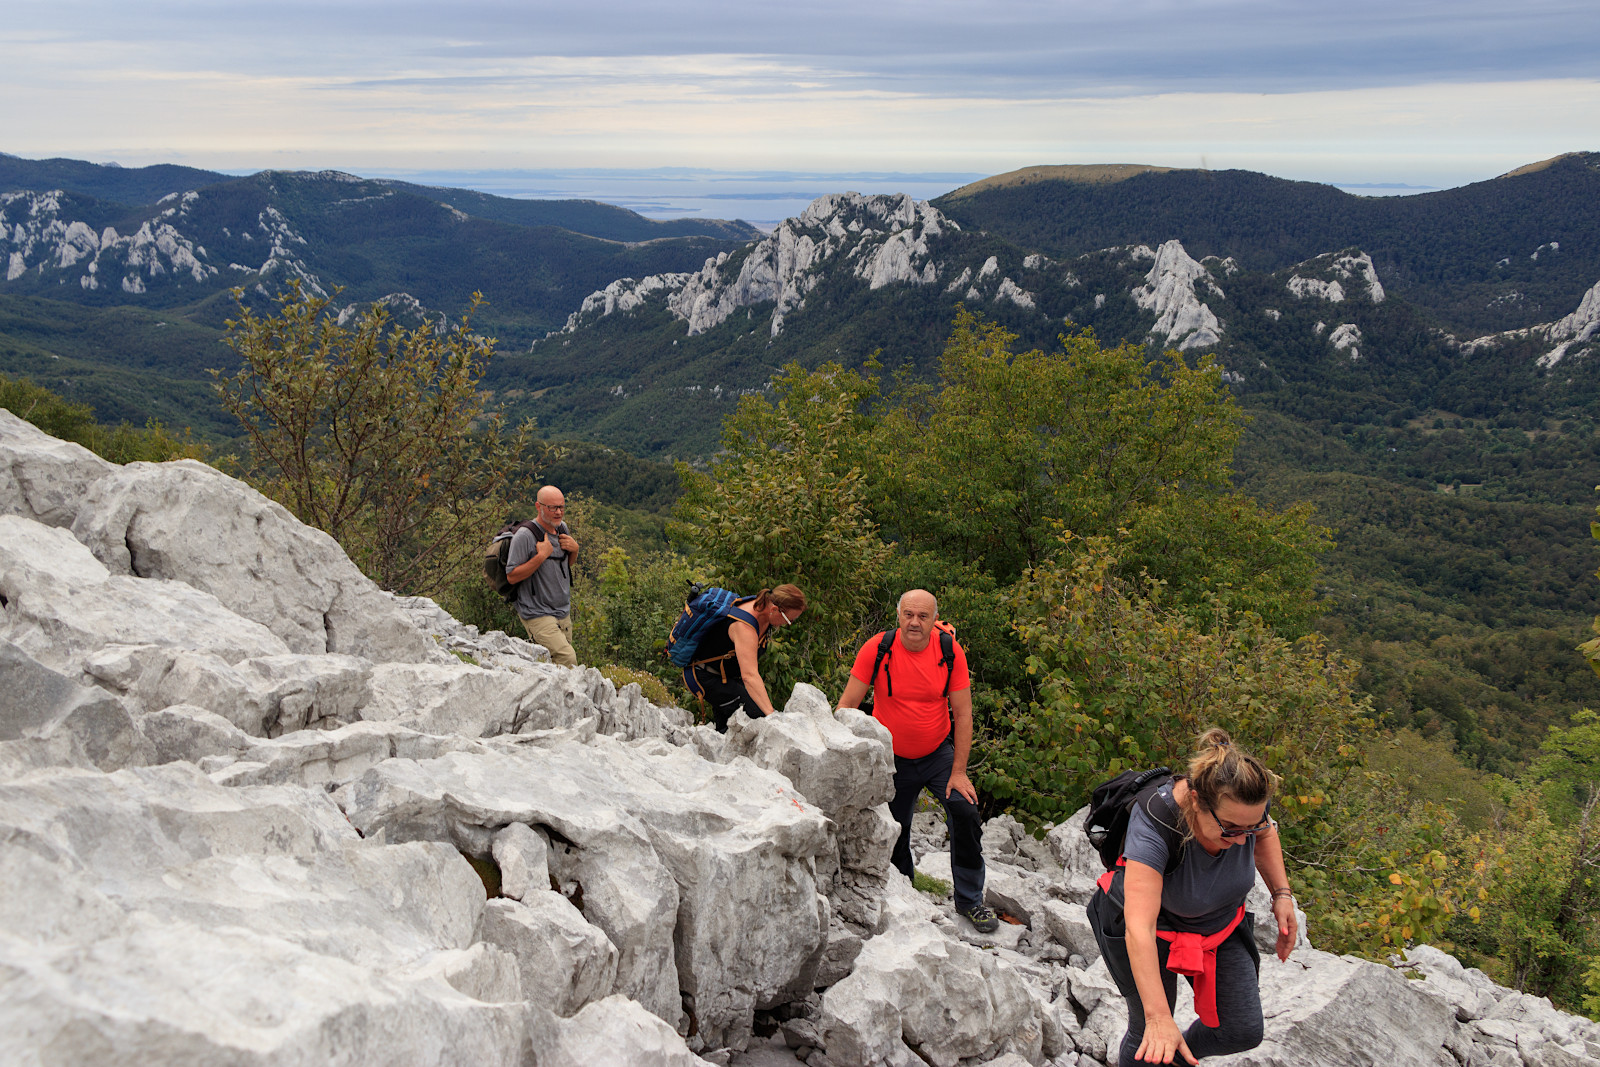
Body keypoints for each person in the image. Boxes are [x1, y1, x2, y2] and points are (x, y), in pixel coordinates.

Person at [1088, 727, 1298, 1067]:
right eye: (1230, 829)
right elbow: (1138, 928)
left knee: (1241, 1029)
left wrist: (1282, 895)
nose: (1243, 840)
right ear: (1198, 802)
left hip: (1220, 924)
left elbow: (1265, 833)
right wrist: (1159, 1018)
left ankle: (1178, 1060)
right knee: (1149, 1034)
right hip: (1149, 930)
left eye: (1250, 827)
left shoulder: (1244, 805)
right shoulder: (1157, 821)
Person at [835, 589, 999, 934]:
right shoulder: (877, 649)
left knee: (966, 813)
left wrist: (959, 771)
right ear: (898, 616)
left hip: (938, 753)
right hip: (890, 757)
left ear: (933, 620)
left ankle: (970, 900)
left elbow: (964, 713)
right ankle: (904, 891)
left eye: (923, 616)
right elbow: (846, 707)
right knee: (895, 829)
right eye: (908, 614)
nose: (914, 622)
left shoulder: (948, 651)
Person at [685, 584, 806, 732]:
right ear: (774, 610)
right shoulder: (745, 627)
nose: (789, 625)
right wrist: (772, 716)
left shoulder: (763, 607)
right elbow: (749, 676)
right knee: (758, 718)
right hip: (706, 676)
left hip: (727, 676)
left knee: (730, 729)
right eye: (789, 620)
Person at [505, 485, 581, 666]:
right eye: (552, 507)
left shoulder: (562, 529)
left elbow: (562, 566)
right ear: (538, 507)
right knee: (567, 658)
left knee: (557, 665)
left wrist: (575, 551)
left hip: (562, 611)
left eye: (561, 507)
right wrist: (540, 556)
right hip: (537, 612)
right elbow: (512, 576)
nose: (558, 512)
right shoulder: (525, 535)